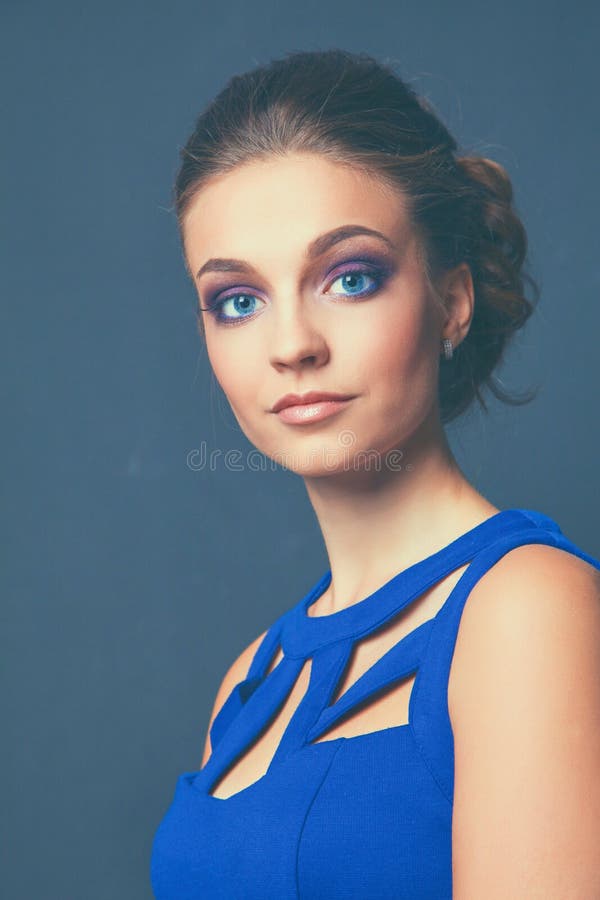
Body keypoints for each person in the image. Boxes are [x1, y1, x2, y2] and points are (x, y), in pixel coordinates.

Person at [150, 49, 600, 898]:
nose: (292, 345)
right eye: (237, 300)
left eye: (349, 278)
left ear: (452, 300)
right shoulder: (251, 682)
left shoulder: (527, 610)